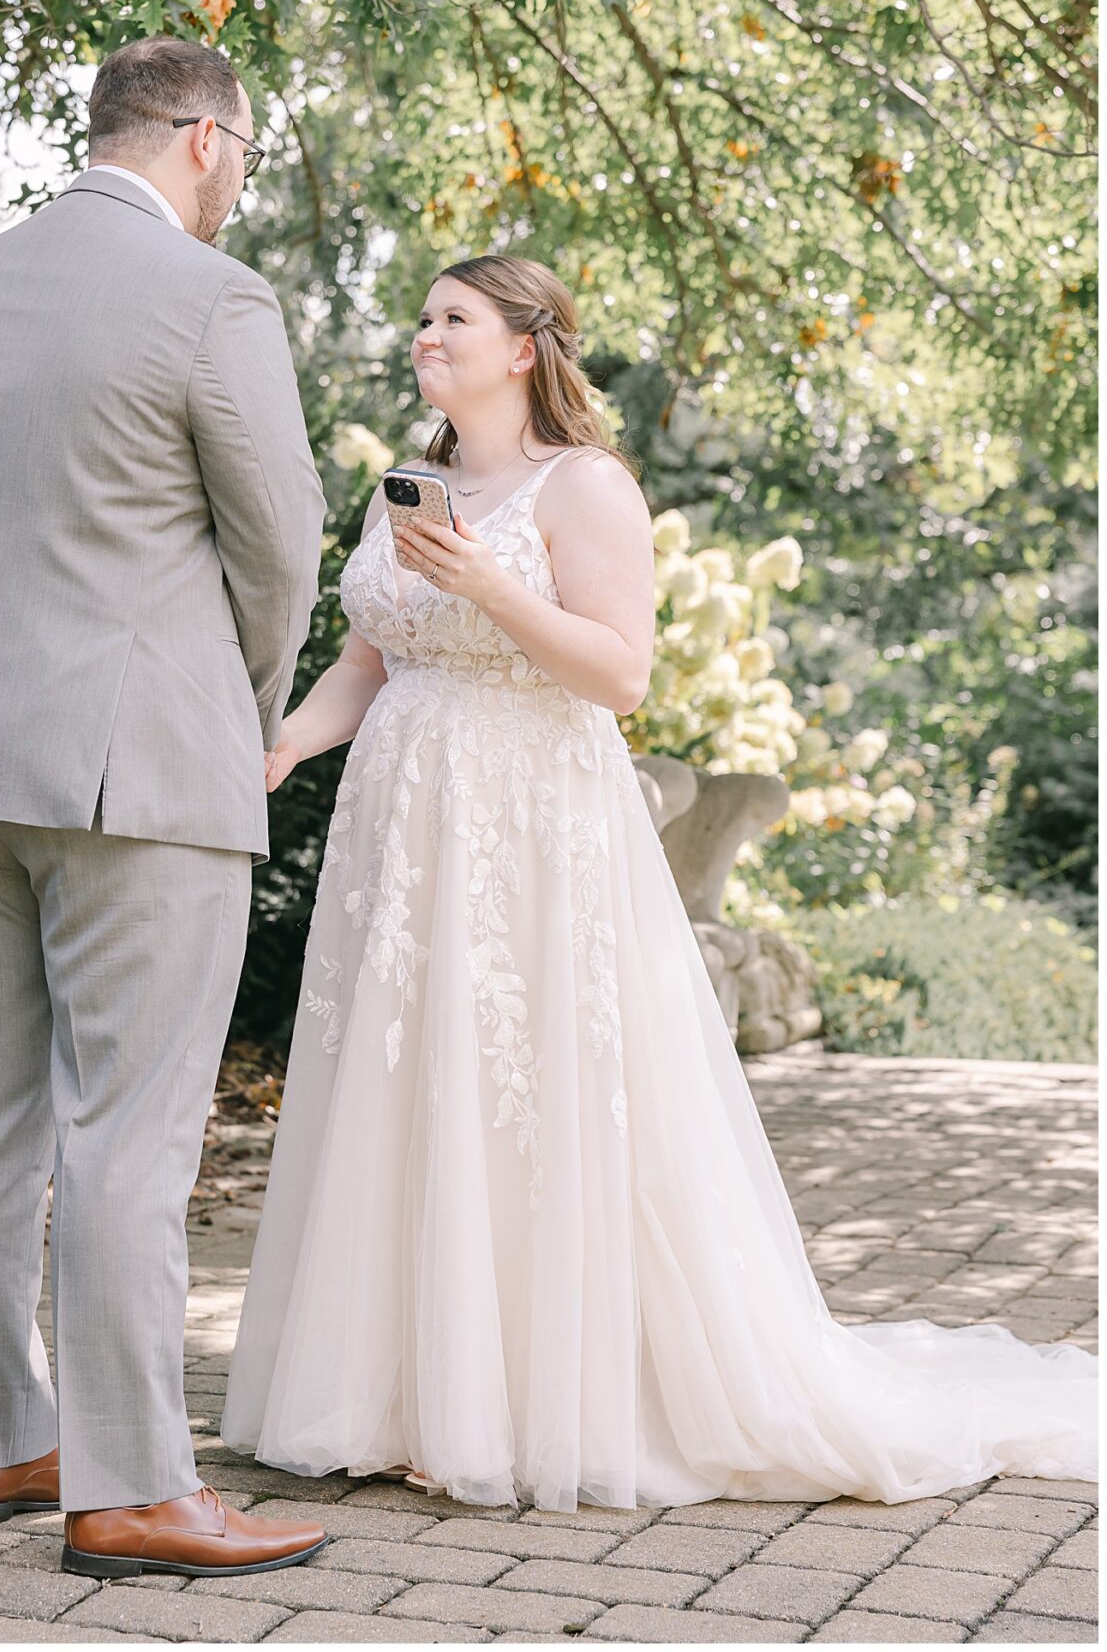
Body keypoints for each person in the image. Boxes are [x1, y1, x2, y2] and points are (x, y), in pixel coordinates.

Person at [221, 252, 1097, 1514]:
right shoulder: (408, 486)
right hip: (405, 835)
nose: (427, 333)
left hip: (528, 822)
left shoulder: (586, 486)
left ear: (525, 345)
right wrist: (293, 740)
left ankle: (524, 1395)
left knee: (519, 1088)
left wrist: (491, 584)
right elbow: (372, 656)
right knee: (409, 1081)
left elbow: (619, 674)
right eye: (422, 317)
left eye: (453, 318)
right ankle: (401, 1390)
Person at [0, 35, 330, 1579]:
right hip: (141, 768)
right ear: (204, 139)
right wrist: (242, 710)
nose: (240, 185)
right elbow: (279, 547)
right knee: (131, 1136)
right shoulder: (212, 299)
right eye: (247, 159)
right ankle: (134, 1488)